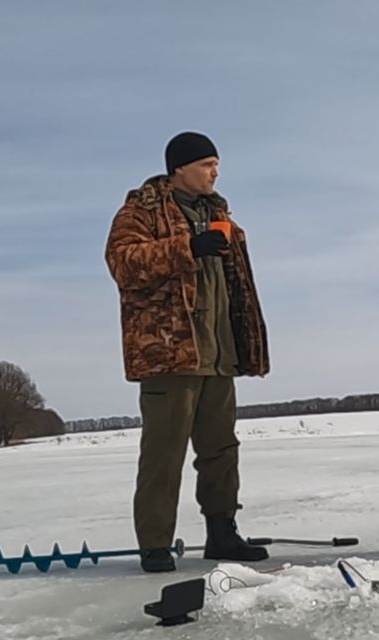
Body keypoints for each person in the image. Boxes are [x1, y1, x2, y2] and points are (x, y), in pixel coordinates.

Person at [105, 131, 272, 572]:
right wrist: (187, 248)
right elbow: (122, 262)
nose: (215, 173)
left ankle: (222, 533)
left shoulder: (220, 215)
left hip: (218, 352)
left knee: (221, 450)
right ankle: (155, 545)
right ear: (179, 168)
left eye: (217, 165)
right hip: (169, 352)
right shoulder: (142, 210)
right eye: (207, 164)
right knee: (164, 452)